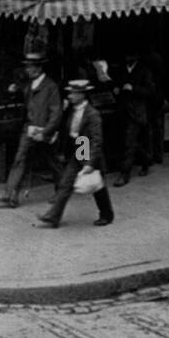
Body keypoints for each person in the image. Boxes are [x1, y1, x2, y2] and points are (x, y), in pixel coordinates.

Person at [35, 81, 114, 230]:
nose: (70, 96)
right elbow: (65, 127)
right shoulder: (71, 110)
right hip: (77, 146)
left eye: (73, 93)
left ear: (81, 95)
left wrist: (90, 163)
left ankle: (107, 214)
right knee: (65, 183)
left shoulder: (92, 114)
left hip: (86, 146)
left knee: (97, 186)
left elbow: (97, 140)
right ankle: (53, 217)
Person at [0, 47, 63, 208]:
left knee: (52, 162)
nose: (27, 69)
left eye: (30, 67)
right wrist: (14, 90)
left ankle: (62, 191)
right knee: (20, 159)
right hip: (30, 128)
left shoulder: (50, 87)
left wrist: (47, 131)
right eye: (27, 66)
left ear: (39, 68)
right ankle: (10, 195)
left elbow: (56, 113)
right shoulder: (29, 84)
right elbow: (24, 96)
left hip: (45, 130)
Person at [111, 52, 154, 185]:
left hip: (136, 112)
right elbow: (116, 83)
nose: (127, 58)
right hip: (123, 110)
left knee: (129, 142)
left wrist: (133, 88)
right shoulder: (122, 69)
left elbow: (149, 91)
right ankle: (146, 159)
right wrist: (116, 88)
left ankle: (125, 174)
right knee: (128, 141)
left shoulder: (144, 71)